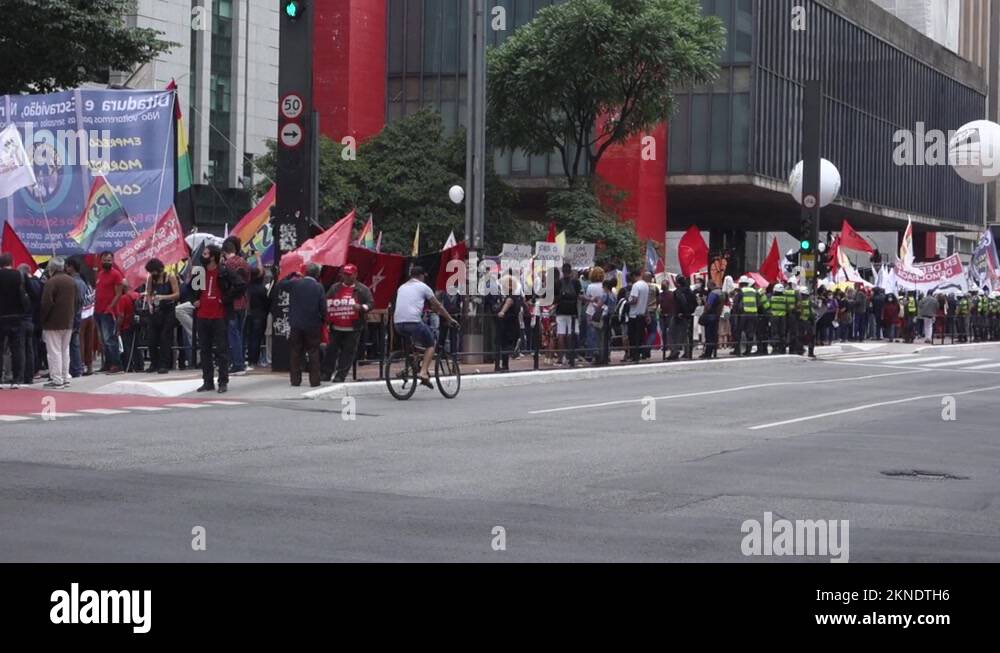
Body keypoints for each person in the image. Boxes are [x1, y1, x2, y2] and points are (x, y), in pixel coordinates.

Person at [393, 266, 459, 387]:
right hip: (412, 322)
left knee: (415, 345)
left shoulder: (401, 287)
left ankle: (412, 367)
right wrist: (449, 319)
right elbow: (438, 306)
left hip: (397, 323)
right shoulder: (423, 287)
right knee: (430, 344)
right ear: (421, 276)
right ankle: (423, 373)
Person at [322, 263, 373, 383]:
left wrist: (361, 307)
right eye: (345, 274)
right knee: (331, 350)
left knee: (348, 353)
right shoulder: (335, 288)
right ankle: (326, 373)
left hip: (353, 328)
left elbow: (370, 303)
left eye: (349, 275)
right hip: (336, 327)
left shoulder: (362, 289)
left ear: (355, 275)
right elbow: (326, 301)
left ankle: (341, 375)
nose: (347, 277)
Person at [193, 244, 231, 393]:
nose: (203, 256)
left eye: (206, 254)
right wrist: (193, 300)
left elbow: (239, 285)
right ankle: (207, 381)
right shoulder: (200, 272)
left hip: (219, 316)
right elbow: (190, 290)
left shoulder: (223, 271)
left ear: (213, 257)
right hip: (203, 315)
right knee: (204, 350)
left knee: (221, 350)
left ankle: (223, 381)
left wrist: (225, 299)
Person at [40, 257, 78, 389]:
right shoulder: (71, 281)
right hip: (68, 320)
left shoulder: (51, 282)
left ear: (52, 268)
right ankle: (65, 376)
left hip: (53, 322)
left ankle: (57, 379)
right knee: (64, 350)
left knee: (54, 351)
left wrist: (42, 319)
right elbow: (78, 301)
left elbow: (46, 303)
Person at [144, 258, 180, 373]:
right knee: (151, 338)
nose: (153, 274)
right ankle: (154, 363)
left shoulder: (170, 277)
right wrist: (149, 303)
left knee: (165, 338)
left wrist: (163, 297)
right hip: (155, 311)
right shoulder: (151, 279)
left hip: (168, 310)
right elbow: (148, 293)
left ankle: (164, 364)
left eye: (154, 271)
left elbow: (177, 294)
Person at [222, 236, 251, 374]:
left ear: (224, 252)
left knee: (233, 334)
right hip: (244, 302)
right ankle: (240, 361)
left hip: (232, 303)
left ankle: (237, 364)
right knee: (240, 334)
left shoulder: (227, 265)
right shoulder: (244, 263)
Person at [0, 253, 29, 389]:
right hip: (17, 316)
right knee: (17, 348)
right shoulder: (19, 275)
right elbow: (26, 294)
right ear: (12, 262)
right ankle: (17, 379)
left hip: (1, 316)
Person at [93, 251, 124, 373]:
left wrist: (110, 307)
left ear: (113, 261)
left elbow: (118, 294)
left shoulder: (116, 275)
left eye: (109, 260)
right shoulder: (99, 274)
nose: (107, 262)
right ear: (101, 261)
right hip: (98, 311)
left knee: (110, 339)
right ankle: (107, 363)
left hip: (109, 312)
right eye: (105, 260)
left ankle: (116, 364)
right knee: (103, 340)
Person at [554, 262, 583, 365]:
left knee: (561, 335)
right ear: (571, 271)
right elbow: (580, 296)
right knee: (571, 334)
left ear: (562, 271)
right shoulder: (576, 282)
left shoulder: (557, 283)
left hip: (560, 311)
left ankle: (560, 359)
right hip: (572, 312)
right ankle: (571, 356)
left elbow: (554, 299)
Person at [246, 267, 270, 368]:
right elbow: (266, 303)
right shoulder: (262, 289)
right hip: (260, 315)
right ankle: (254, 360)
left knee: (250, 338)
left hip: (249, 314)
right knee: (257, 338)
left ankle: (250, 358)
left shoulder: (248, 288)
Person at [670, 275, 697, 360]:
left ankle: (675, 351)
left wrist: (680, 313)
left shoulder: (677, 292)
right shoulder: (690, 291)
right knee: (686, 334)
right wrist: (689, 312)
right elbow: (695, 303)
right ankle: (687, 352)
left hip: (679, 315)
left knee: (673, 333)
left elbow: (678, 304)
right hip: (688, 315)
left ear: (678, 283)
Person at [626, 270, 649, 363]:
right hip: (642, 314)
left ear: (634, 276)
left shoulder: (636, 286)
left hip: (634, 315)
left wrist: (627, 302)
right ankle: (638, 354)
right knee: (640, 336)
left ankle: (633, 355)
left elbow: (634, 299)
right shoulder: (645, 285)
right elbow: (646, 301)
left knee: (632, 336)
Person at [698, 280, 724, 359]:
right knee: (714, 335)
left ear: (710, 285)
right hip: (717, 316)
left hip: (710, 316)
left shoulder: (713, 293)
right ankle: (714, 351)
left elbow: (709, 306)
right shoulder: (721, 292)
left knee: (709, 335)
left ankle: (707, 353)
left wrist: (704, 313)